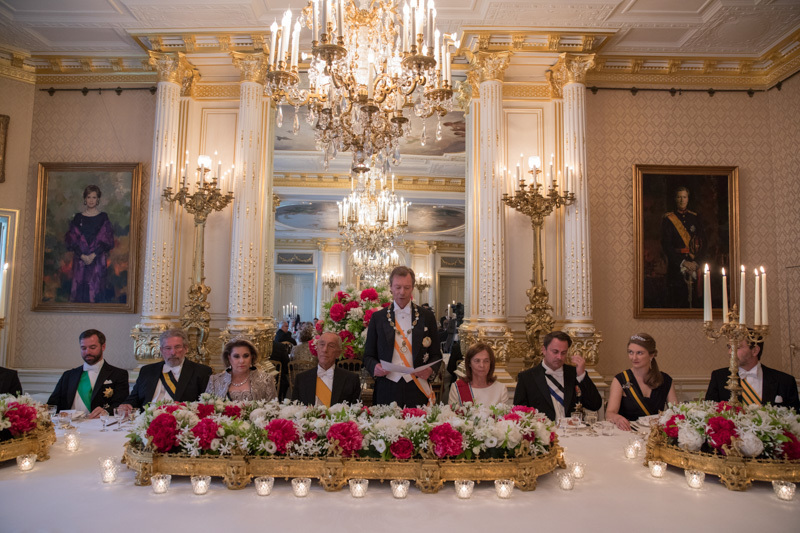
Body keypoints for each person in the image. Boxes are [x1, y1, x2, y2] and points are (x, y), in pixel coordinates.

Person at [364, 266, 441, 407]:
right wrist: (374, 367)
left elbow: (436, 354)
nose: (402, 292)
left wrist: (430, 370)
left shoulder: (427, 316)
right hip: (387, 386)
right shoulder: (378, 318)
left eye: (407, 287)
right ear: (391, 287)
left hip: (417, 386)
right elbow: (368, 355)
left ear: (413, 288)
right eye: (398, 287)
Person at [513, 331, 602, 421]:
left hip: (572, 431)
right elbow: (519, 413)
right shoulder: (527, 377)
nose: (559, 357)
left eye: (563, 353)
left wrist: (581, 375)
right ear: (544, 350)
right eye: (555, 352)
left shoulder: (574, 374)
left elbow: (595, 405)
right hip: (544, 432)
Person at [118, 329, 212, 414]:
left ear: (186, 349)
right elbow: (134, 399)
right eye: (168, 348)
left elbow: (205, 404)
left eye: (177, 347)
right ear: (161, 350)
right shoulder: (147, 371)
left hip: (182, 423)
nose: (173, 352)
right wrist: (127, 405)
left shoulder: (201, 371)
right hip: (147, 420)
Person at [47, 329, 128, 418]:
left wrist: (106, 412)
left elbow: (121, 405)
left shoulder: (119, 374)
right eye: (83, 348)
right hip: (69, 426)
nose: (87, 352)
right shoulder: (68, 375)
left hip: (100, 425)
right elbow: (52, 405)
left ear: (103, 347)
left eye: (92, 347)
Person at [606, 333, 678, 430]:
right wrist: (617, 418)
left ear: (651, 355)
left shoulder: (665, 380)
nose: (634, 357)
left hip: (655, 435)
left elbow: (676, 412)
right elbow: (610, 413)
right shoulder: (620, 379)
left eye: (639, 353)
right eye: (631, 352)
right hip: (628, 433)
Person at [705, 336, 799, 410]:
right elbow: (709, 413)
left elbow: (794, 420)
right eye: (729, 347)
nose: (730, 352)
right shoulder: (719, 377)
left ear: (755, 351)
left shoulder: (784, 381)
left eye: (737, 347)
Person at [64, 184, 115, 303]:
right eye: (88, 197)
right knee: (80, 293)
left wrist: (92, 256)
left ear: (98, 200)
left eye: (94, 197)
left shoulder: (103, 217)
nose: (91, 200)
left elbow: (107, 240)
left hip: (97, 260)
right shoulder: (78, 217)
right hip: (80, 260)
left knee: (96, 291)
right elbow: (71, 240)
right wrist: (82, 256)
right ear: (84, 199)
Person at [661, 186, 705, 308]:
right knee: (678, 302)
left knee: (696, 303)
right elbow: (666, 245)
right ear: (675, 199)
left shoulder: (695, 218)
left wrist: (696, 263)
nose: (682, 200)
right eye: (679, 197)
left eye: (684, 197)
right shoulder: (668, 220)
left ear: (688, 199)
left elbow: (703, 243)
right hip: (676, 267)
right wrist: (683, 262)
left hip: (694, 266)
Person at [291, 332, 361, 406]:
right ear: (317, 348)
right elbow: (295, 410)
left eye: (331, 346)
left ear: (338, 353)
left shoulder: (351, 380)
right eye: (322, 345)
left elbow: (355, 412)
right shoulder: (301, 379)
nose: (325, 350)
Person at [205, 339, 277, 401]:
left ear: (252, 357)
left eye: (246, 356)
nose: (242, 361)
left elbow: (273, 411)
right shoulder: (215, 380)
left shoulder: (266, 380)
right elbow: (206, 410)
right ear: (229, 358)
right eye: (236, 356)